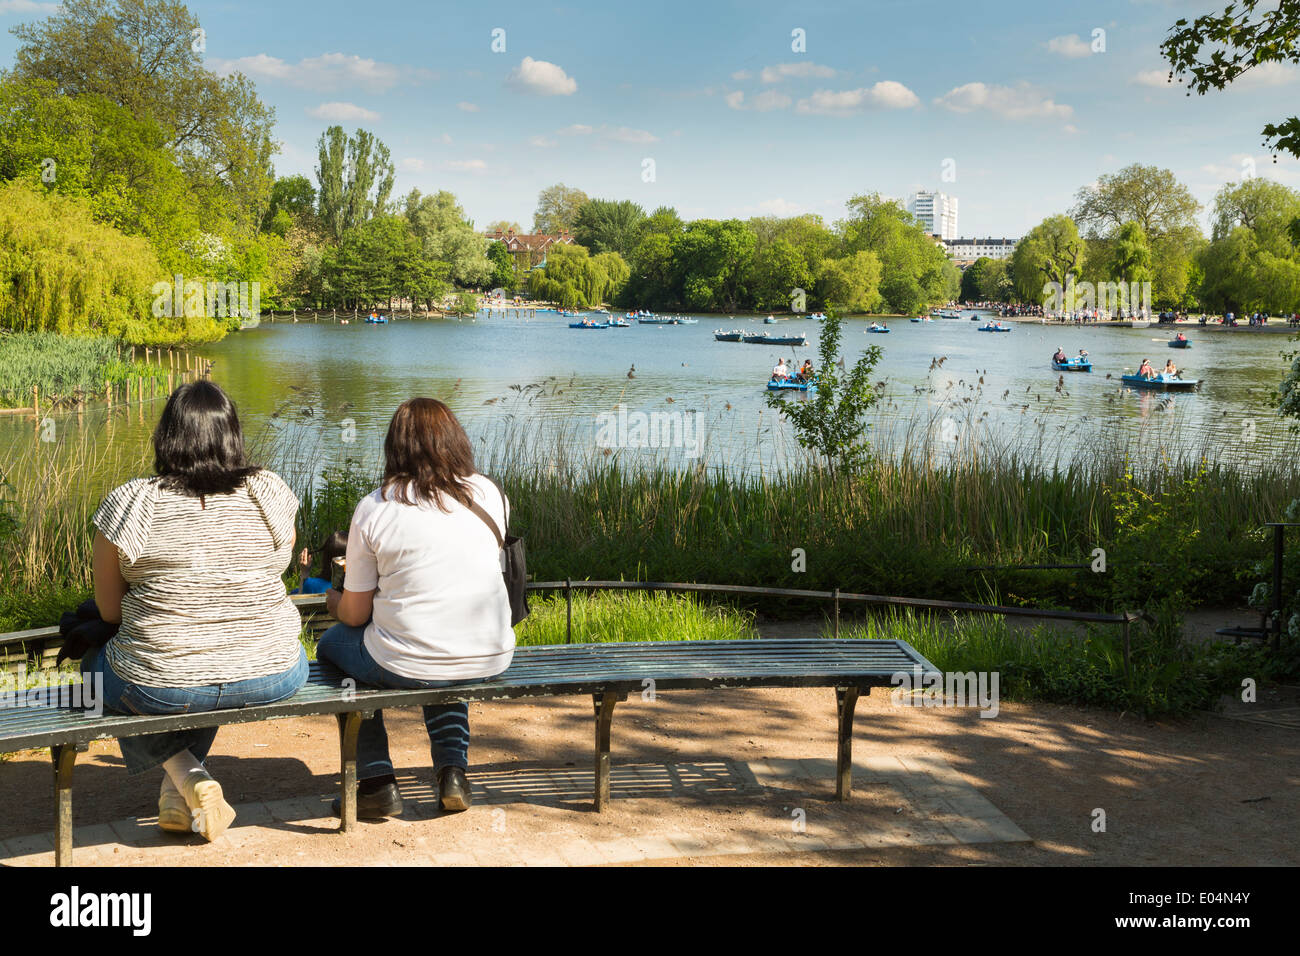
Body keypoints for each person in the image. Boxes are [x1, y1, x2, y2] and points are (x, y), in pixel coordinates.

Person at [82, 381, 307, 842]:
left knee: (100, 670)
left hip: (163, 686)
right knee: (201, 673)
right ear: (232, 435)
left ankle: (187, 777)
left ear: (167, 435)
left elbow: (107, 612)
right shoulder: (270, 491)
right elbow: (280, 562)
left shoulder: (131, 503)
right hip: (275, 672)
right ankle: (177, 796)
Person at [316, 398, 515, 819]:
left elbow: (353, 615)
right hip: (491, 652)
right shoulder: (489, 492)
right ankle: (453, 774)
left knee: (334, 647)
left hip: (413, 657)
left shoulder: (376, 507)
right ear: (456, 441)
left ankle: (374, 782)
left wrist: (332, 600)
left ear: (395, 447)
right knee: (441, 649)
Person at [293, 530, 348, 595]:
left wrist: (304, 573)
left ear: (325, 557)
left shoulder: (311, 585)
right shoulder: (356, 588)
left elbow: (300, 601)